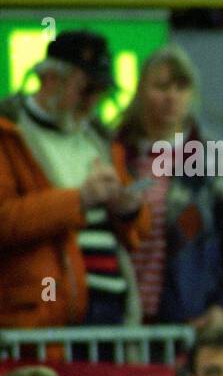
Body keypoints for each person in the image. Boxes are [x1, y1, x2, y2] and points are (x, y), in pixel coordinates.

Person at [0, 30, 150, 328]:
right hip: (44, 310)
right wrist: (78, 200)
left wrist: (128, 209)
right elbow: (5, 220)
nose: (93, 100)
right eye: (86, 89)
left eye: (101, 91)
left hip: (110, 306)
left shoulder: (100, 140)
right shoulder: (10, 136)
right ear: (50, 79)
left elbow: (140, 231)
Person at [115, 44, 223, 328]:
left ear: (193, 94)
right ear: (139, 91)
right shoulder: (111, 154)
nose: (171, 96)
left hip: (189, 324)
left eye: (181, 86)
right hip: (114, 324)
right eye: (160, 86)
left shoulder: (222, 161)